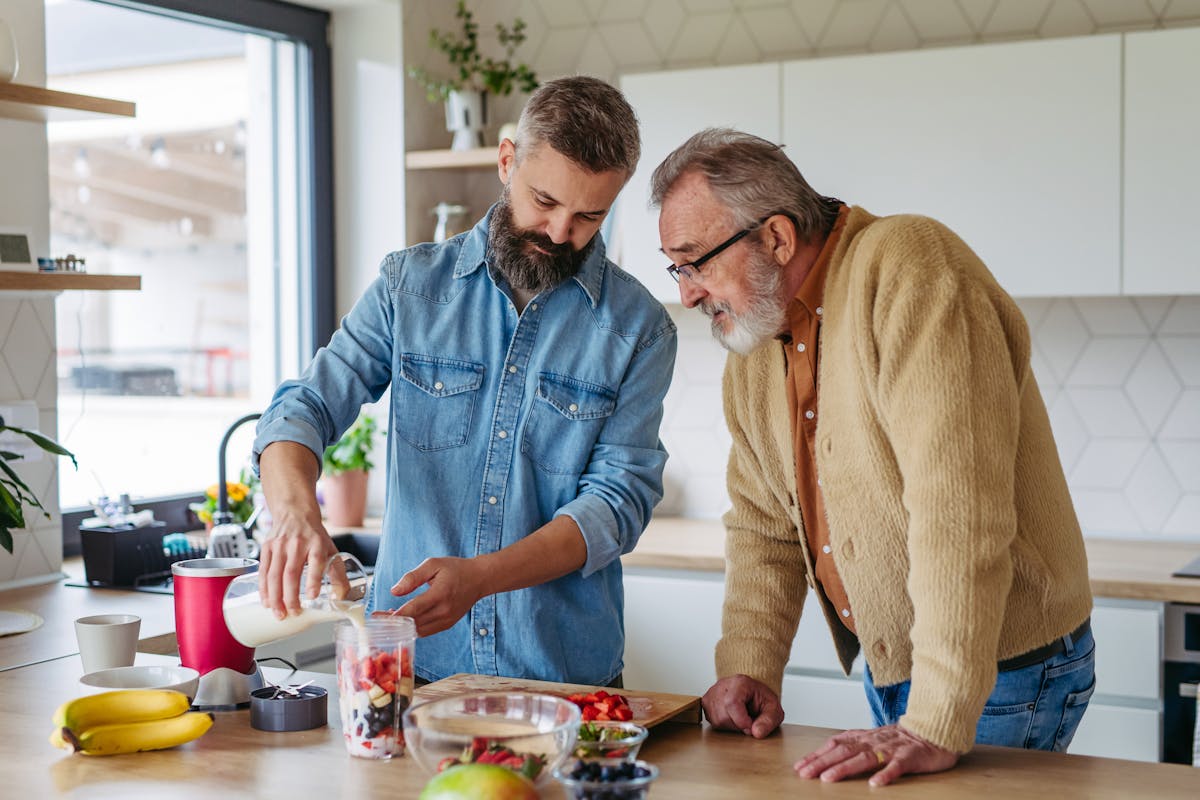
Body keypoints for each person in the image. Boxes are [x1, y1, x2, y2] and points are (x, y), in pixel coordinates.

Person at [650, 128, 1094, 786]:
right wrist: (748, 664)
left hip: (1002, 668)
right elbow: (764, 522)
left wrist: (937, 717)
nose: (686, 293)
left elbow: (958, 508)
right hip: (902, 675)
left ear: (775, 237)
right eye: (675, 268)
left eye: (696, 263)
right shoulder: (755, 343)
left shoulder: (909, 266)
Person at [252, 76, 677, 686]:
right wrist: (293, 510)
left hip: (561, 680)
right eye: (545, 202)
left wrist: (481, 578)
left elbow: (615, 505)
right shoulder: (410, 288)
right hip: (409, 671)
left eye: (589, 216)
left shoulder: (639, 329)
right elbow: (307, 405)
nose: (560, 233)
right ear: (507, 162)